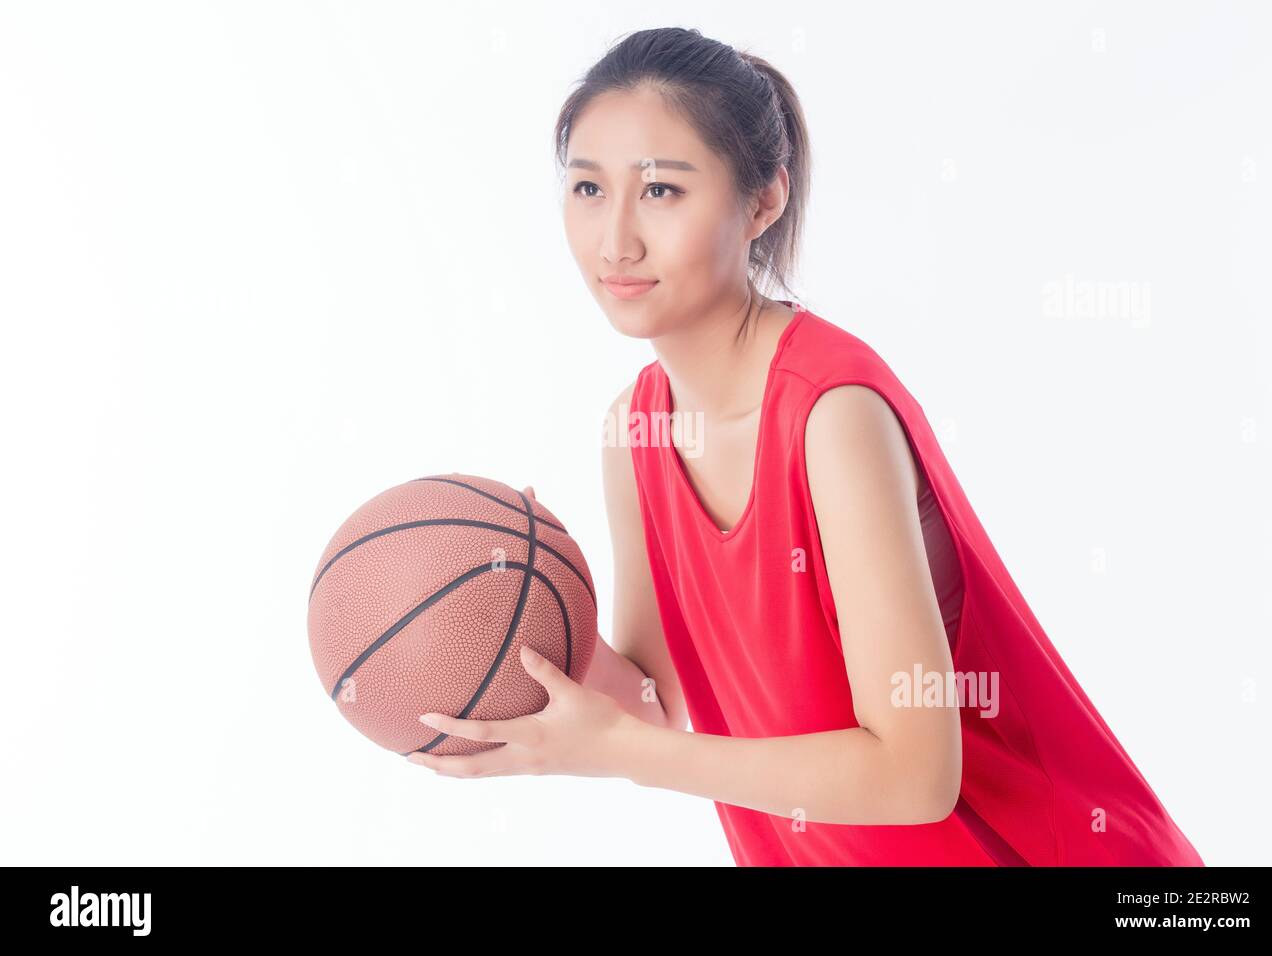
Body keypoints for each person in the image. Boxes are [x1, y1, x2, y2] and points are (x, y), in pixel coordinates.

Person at [406, 26, 1204, 867]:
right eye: (587, 188)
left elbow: (913, 775)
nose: (616, 242)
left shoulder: (831, 415)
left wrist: (620, 750)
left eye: (663, 192)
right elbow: (648, 704)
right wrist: (500, 596)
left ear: (764, 201)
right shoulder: (632, 431)